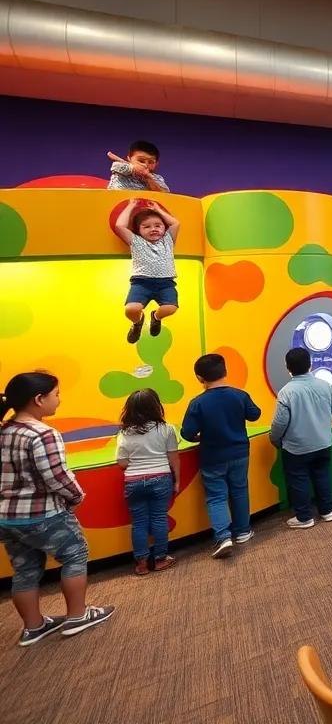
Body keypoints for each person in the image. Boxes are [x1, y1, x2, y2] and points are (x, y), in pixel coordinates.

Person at [0, 372, 114, 646]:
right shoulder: (43, 434)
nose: (59, 400)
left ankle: (34, 627)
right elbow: (57, 477)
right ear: (39, 399)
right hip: (44, 514)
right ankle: (77, 616)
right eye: (56, 394)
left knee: (25, 570)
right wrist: (76, 497)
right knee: (75, 555)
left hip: (7, 519)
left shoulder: (4, 429)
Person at [181, 353, 261, 559]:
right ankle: (243, 531)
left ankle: (223, 536)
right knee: (240, 490)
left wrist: (201, 436)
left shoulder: (197, 403)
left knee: (216, 496)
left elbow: (187, 433)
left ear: (199, 378)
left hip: (212, 456)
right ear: (225, 372)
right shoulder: (239, 395)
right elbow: (255, 414)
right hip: (240, 453)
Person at [268, 347, 332, 529]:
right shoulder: (325, 385)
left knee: (298, 479)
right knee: (322, 474)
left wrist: (275, 440)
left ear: (288, 367)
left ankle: (304, 517)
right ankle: (327, 511)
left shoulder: (287, 392)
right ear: (310, 365)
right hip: (323, 442)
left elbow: (280, 423)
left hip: (296, 447)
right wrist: (326, 424)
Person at [115, 388, 179, 574]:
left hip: (134, 481)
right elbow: (174, 458)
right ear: (155, 406)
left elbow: (122, 464)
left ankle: (142, 563)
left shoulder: (124, 433)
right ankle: (160, 559)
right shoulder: (166, 429)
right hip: (161, 477)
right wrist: (177, 481)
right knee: (159, 518)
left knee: (139, 522)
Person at [114, 198, 180, 344]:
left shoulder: (168, 240)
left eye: (158, 225)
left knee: (170, 308)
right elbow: (120, 225)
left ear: (164, 228)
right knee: (131, 309)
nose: (153, 229)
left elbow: (175, 223)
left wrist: (158, 209)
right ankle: (137, 323)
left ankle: (156, 317)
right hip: (142, 283)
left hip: (166, 283)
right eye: (147, 227)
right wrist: (130, 206)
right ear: (138, 231)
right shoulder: (136, 242)